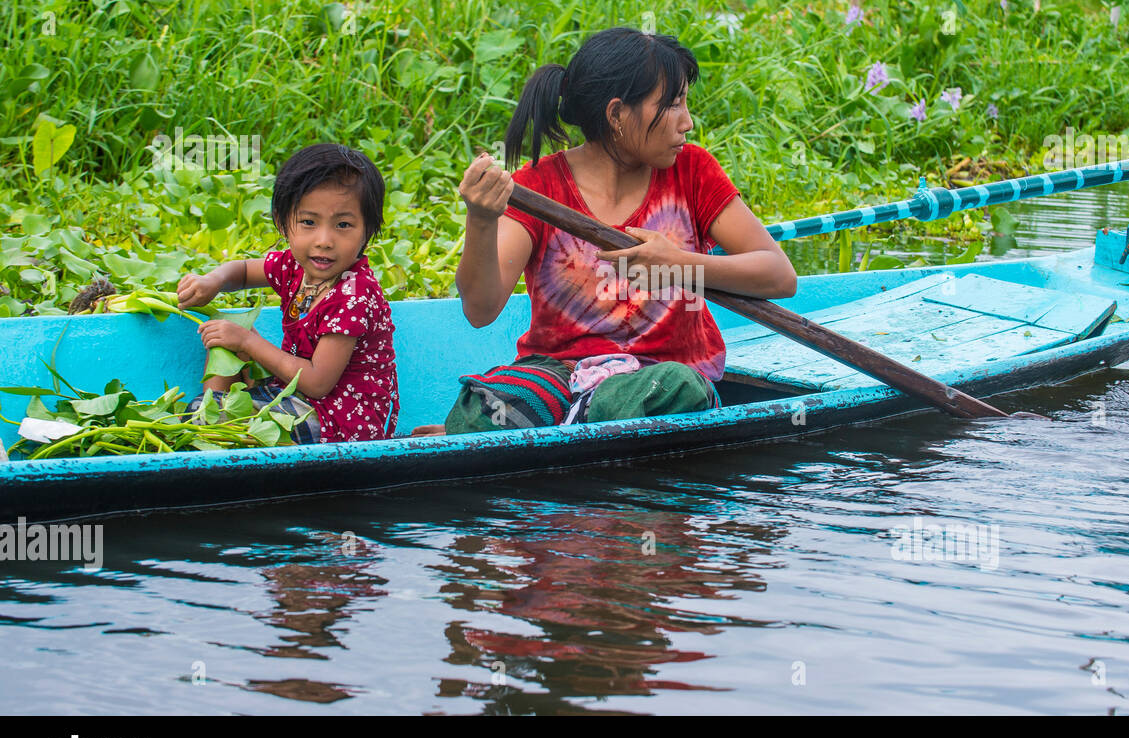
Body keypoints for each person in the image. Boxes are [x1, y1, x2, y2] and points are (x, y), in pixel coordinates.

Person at [434, 27, 796, 435]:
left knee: (678, 391)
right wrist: (480, 221)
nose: (688, 123)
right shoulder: (539, 186)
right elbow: (480, 311)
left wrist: (676, 263)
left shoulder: (692, 171)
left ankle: (575, 425)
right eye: (673, 105)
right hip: (559, 373)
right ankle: (581, 419)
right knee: (480, 407)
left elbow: (779, 276)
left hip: (658, 376)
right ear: (617, 114)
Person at [176, 144, 399, 443]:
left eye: (343, 225)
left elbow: (318, 383)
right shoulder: (293, 266)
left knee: (237, 343)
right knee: (227, 337)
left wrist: (247, 342)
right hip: (293, 392)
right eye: (308, 222)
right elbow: (241, 271)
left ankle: (210, 424)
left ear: (367, 231)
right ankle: (213, 412)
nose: (324, 241)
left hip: (338, 419)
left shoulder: (353, 294)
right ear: (284, 223)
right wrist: (212, 281)